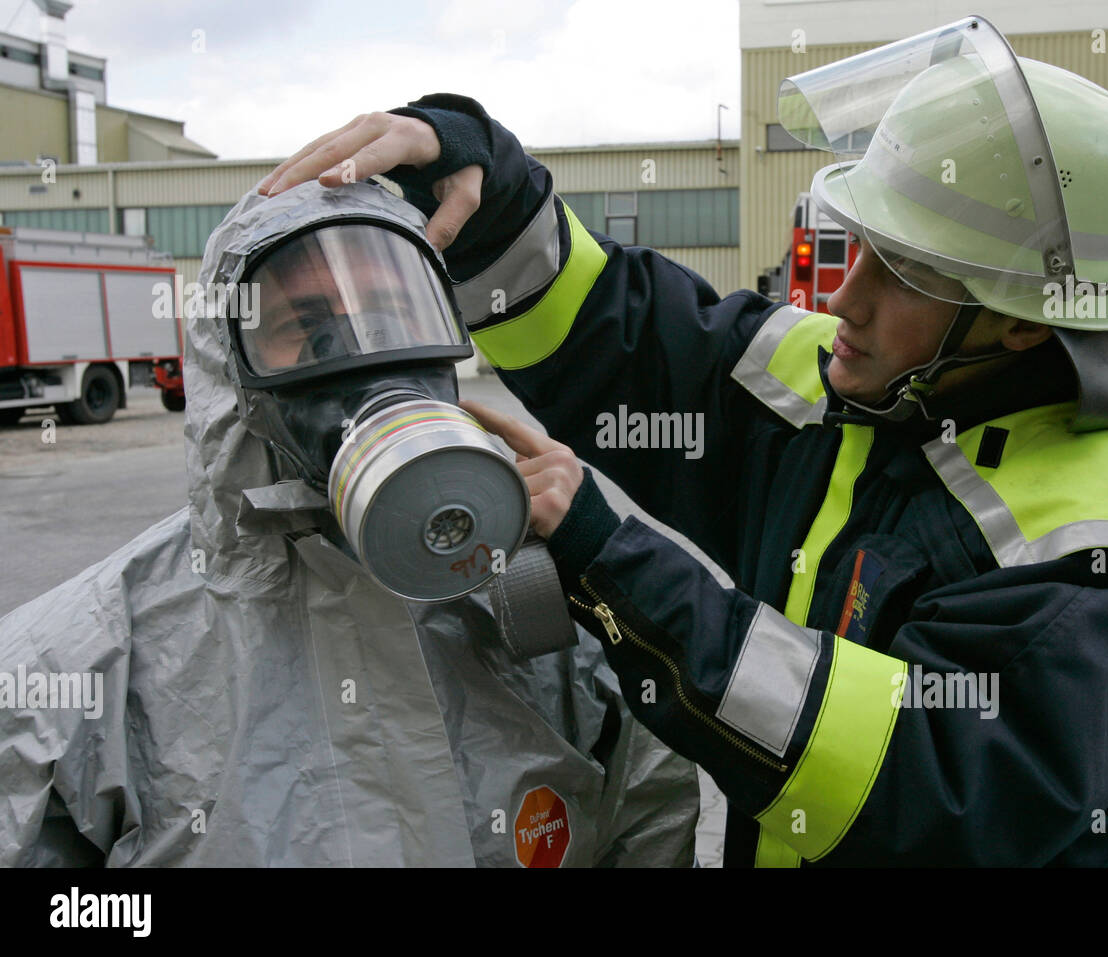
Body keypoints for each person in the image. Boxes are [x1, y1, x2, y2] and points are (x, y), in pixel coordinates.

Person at [261, 15, 1108, 867]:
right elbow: (620, 336)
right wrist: (482, 179)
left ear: (1020, 326)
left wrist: (614, 561)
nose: (846, 296)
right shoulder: (848, 381)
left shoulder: (1094, 553)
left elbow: (926, 785)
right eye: (861, 244)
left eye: (909, 273)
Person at [0, 177, 699, 867]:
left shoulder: (550, 610)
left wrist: (600, 559)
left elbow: (647, 823)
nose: (365, 354)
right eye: (306, 328)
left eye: (396, 313)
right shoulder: (77, 671)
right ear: (232, 377)